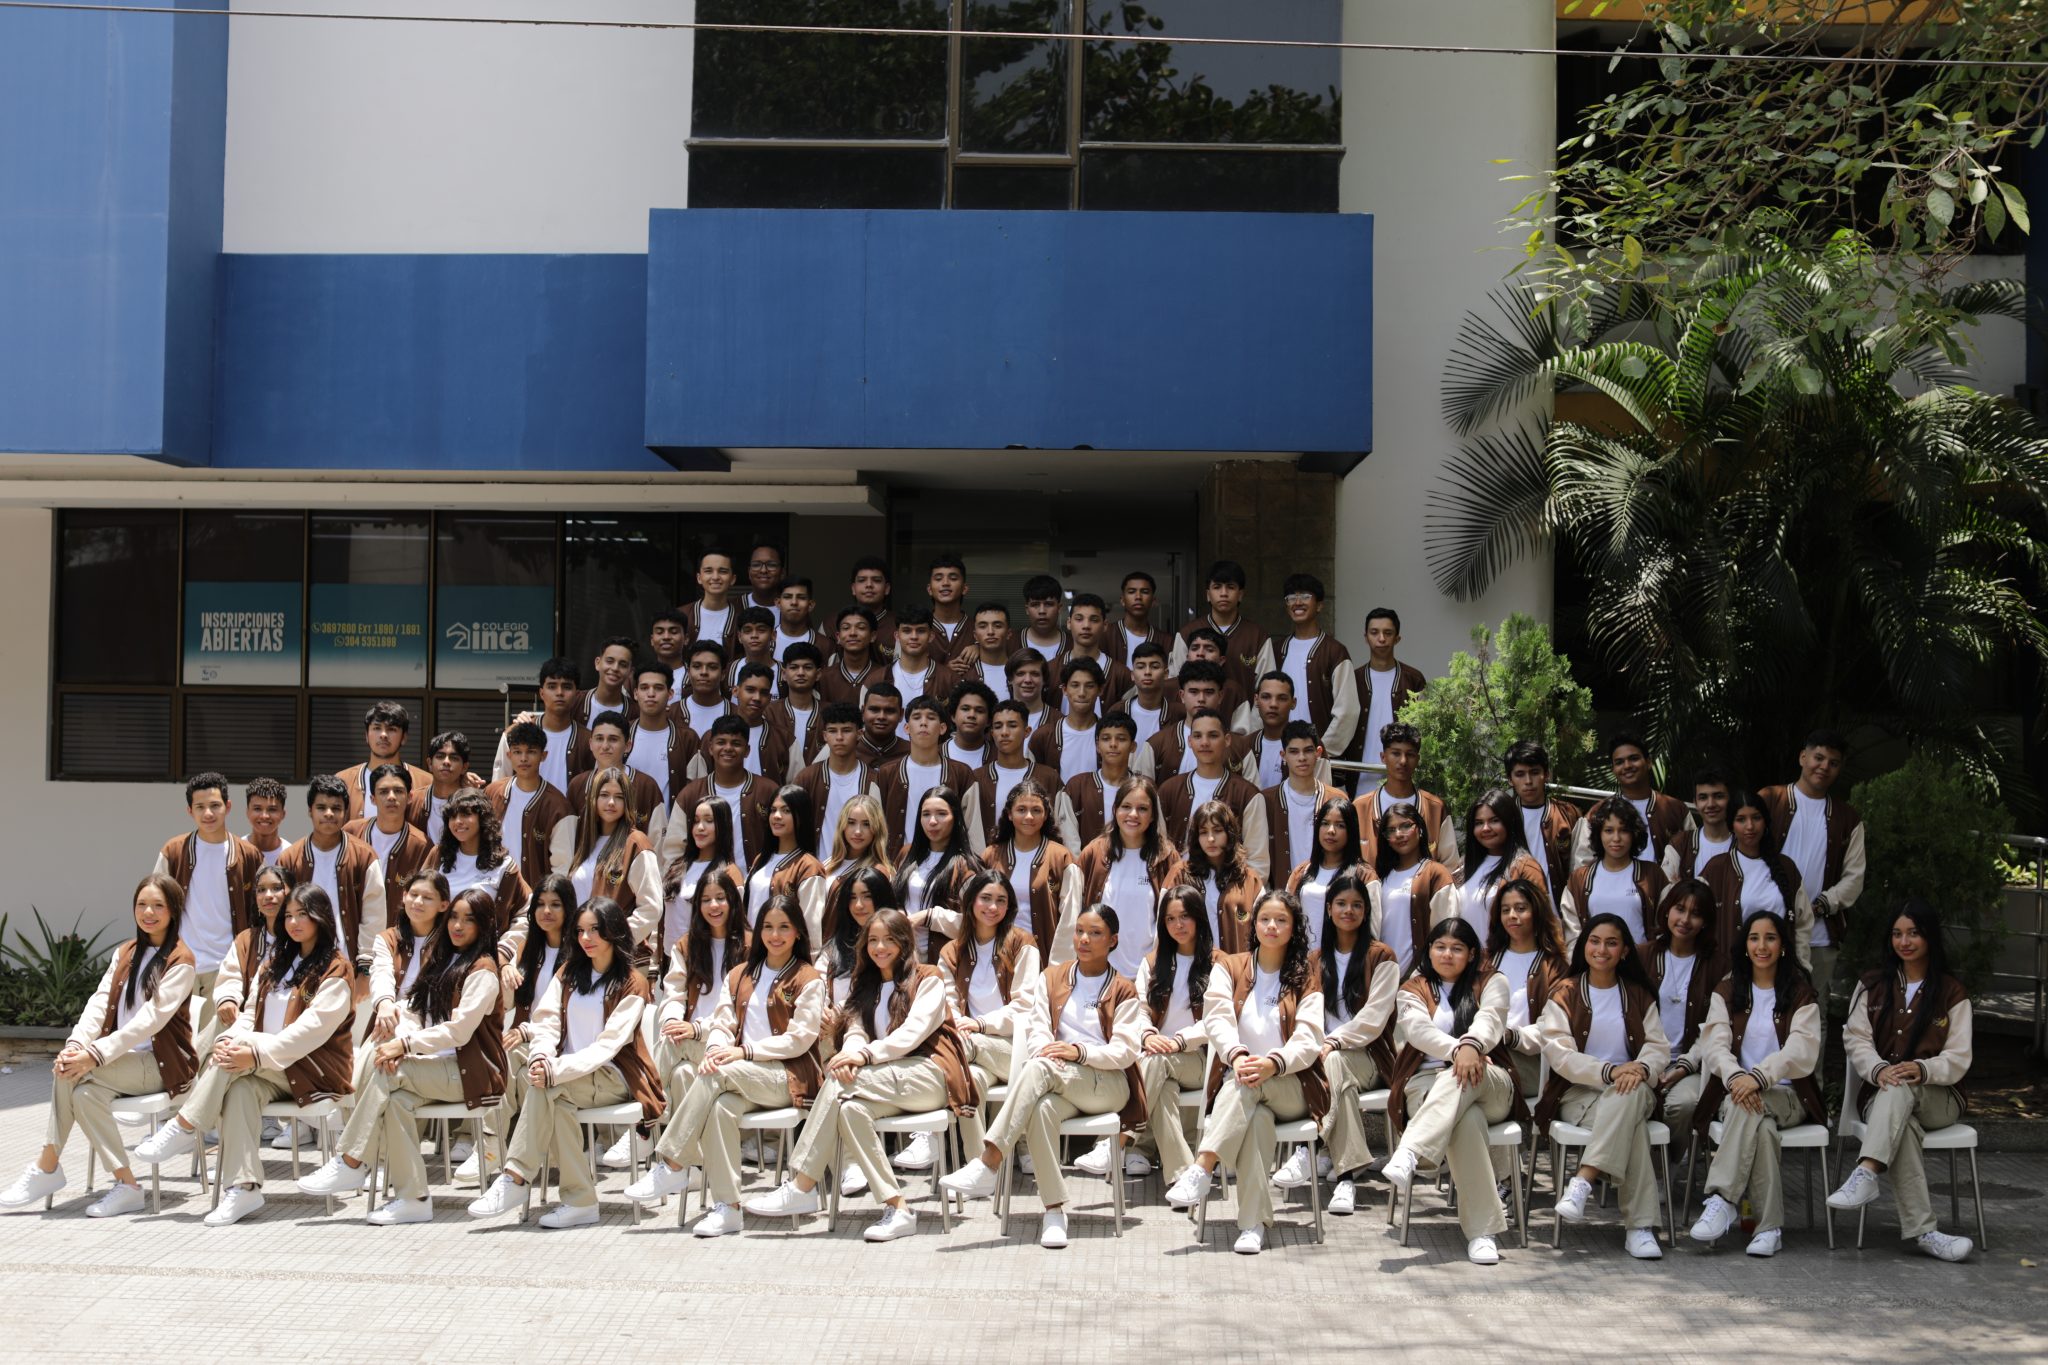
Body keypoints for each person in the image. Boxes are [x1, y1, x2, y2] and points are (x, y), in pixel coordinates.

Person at [742, 908, 976, 1242]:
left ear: (905, 942)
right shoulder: (865, 984)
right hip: (885, 1080)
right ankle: (898, 1208)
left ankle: (802, 1184)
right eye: (873, 940)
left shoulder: (928, 978)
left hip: (931, 1075)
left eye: (889, 940)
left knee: (839, 1081)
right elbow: (855, 1030)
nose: (880, 947)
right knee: (851, 1110)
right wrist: (850, 1054)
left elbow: (912, 1033)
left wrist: (863, 1057)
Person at [132, 883, 355, 1227]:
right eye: (289, 916)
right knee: (238, 1087)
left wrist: (253, 1053)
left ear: (321, 918)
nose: (294, 922)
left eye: (303, 915)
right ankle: (244, 1188)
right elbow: (250, 1014)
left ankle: (185, 1125)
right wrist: (230, 1040)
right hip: (269, 1069)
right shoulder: (276, 963)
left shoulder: (336, 970)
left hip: (314, 1070)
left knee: (231, 1066)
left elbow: (308, 1033)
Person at [938, 905, 1146, 1250]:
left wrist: (1077, 1052)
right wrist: (1049, 1054)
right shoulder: (1052, 978)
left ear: (1113, 941)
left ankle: (989, 1161)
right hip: (1059, 1076)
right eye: (1080, 931)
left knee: (1038, 1069)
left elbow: (1125, 1051)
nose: (1084, 939)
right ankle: (1054, 1211)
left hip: (1107, 1083)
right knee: (1041, 1109)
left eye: (1095, 933)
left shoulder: (1123, 988)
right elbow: (1036, 1031)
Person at [298, 887, 505, 1223]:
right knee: (396, 1101)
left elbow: (459, 1031)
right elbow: (415, 1009)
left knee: (389, 1071)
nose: (457, 925)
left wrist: (404, 1047)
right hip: (437, 1067)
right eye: (454, 917)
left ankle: (351, 1161)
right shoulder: (446, 960)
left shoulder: (482, 970)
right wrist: (398, 1040)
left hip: (473, 1074)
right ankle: (414, 1199)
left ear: (484, 926)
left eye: (469, 920)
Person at [624, 894, 828, 1234]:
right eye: (768, 927)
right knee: (720, 1109)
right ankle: (728, 1208)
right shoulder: (740, 975)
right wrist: (717, 1050)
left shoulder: (808, 978)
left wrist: (742, 1053)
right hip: (742, 1077)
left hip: (789, 1077)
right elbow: (722, 1025)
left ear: (797, 933)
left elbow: (800, 1039)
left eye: (784, 927)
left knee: (717, 1074)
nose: (775, 935)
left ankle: (672, 1163)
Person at [0, 875, 197, 1217]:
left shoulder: (181, 960)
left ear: (174, 910)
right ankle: (128, 1185)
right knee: (83, 1093)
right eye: (141, 904)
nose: (148, 912)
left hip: (161, 1066)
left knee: (70, 1073)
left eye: (158, 905)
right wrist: (76, 1044)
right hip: (119, 1062)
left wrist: (94, 1055)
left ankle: (47, 1165)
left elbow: (149, 1020)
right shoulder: (126, 952)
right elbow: (99, 1001)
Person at [467, 896, 664, 1228]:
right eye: (581, 931)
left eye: (595, 930)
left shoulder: (633, 982)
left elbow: (607, 1046)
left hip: (615, 1077)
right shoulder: (569, 972)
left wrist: (555, 1070)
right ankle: (579, 1201)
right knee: (555, 1099)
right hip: (569, 1078)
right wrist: (542, 1057)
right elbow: (546, 1023)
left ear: (614, 931)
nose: (586, 938)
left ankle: (516, 1178)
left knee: (549, 1088)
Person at [1162, 889, 1326, 1256]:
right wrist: (1237, 1057)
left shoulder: (1305, 976)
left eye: (1281, 920)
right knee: (1256, 1121)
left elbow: (1310, 1037)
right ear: (1254, 924)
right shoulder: (1231, 967)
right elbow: (1217, 1018)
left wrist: (1273, 1063)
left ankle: (1203, 1167)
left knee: (1247, 1085)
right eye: (1265, 919)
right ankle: (1253, 1225)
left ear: (1294, 927)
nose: (1272, 926)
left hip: (1293, 1087)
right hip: (1244, 1081)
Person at [1828, 899, 1977, 1261]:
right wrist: (1879, 1069)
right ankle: (1925, 1233)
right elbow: (1856, 1039)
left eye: (1913, 933)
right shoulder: (1872, 985)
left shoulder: (1952, 992)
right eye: (1897, 934)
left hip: (1939, 1098)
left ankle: (1867, 1170)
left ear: (1929, 937)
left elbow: (1959, 1057)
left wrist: (1923, 1069)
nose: (1904, 942)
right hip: (1882, 1095)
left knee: (1903, 1087)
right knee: (1902, 1120)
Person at [1378, 918, 1523, 1265]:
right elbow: (1419, 1032)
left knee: (1464, 1083)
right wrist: (1459, 1051)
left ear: (1472, 954)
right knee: (1466, 1119)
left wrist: (1473, 1046)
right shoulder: (1413, 988)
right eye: (1440, 946)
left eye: (1457, 948)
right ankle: (1483, 1234)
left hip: (1490, 1081)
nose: (1447, 954)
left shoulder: (1493, 981)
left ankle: (1411, 1149)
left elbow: (1491, 1019)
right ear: (1429, 951)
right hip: (1428, 1083)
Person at [1688, 909, 1824, 1258]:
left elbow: (1800, 1050)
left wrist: (1759, 1077)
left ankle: (1722, 1198)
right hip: (1737, 1093)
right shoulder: (1727, 991)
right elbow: (1715, 1046)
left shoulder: (1801, 994)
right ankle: (1769, 1229)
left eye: (1770, 938)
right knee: (1761, 1129)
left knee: (1750, 1105)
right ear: (1745, 946)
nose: (1762, 946)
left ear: (1783, 946)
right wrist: (1738, 1077)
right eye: (1754, 938)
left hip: (1788, 1095)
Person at [1535, 912, 1671, 1259]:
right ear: (1584, 946)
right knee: (1633, 1127)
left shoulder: (1639, 994)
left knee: (1631, 1095)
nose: (1602, 949)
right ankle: (1640, 1229)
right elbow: (1561, 1055)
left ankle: (1584, 1178)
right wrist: (1610, 1072)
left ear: (1624, 951)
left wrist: (1640, 1068)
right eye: (1594, 941)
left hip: (1635, 1087)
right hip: (1580, 1094)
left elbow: (1657, 1048)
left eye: (1612, 943)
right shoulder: (1564, 992)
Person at [1293, 870, 1398, 1216]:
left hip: (1371, 1057)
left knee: (1335, 1061)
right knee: (1342, 1084)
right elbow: (1306, 1012)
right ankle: (1347, 1175)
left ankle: (1311, 1148)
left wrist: (1333, 1042)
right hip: (1324, 1059)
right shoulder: (1315, 960)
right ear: (1328, 909)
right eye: (1341, 904)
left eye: (1356, 905)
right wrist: (1319, 1044)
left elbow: (1374, 1019)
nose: (1348, 911)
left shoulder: (1382, 957)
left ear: (1366, 912)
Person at [473, 876, 575, 1183]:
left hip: (565, 1044)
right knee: (506, 1059)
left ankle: (495, 1148)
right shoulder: (527, 949)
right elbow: (507, 1002)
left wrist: (528, 1032)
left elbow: (569, 1014)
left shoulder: (581, 952)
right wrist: (504, 968)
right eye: (540, 905)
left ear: (569, 908)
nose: (546, 911)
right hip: (527, 1043)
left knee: (512, 1059)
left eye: (555, 905)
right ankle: (497, 1148)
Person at [152, 772, 263, 1042]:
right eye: (200, 807)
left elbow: (260, 914)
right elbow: (154, 907)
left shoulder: (248, 855)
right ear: (190, 811)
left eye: (215, 805)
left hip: (227, 968)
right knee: (179, 1044)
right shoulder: (174, 851)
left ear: (228, 806)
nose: (208, 813)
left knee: (218, 1045)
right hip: (182, 964)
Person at [937, 872, 1042, 1157]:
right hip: (970, 1051)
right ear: (971, 901)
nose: (993, 907)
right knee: (969, 1079)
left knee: (959, 1050)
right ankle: (979, 1163)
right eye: (985, 898)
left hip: (1013, 1048)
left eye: (1001, 900)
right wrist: (962, 1026)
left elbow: (1025, 1006)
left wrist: (979, 1025)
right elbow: (947, 1006)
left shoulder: (1022, 944)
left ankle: (932, 1137)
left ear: (1009, 906)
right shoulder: (951, 951)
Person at [1759, 729, 1865, 1011]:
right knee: (1759, 1004)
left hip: (1819, 934)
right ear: (1802, 757)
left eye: (1833, 762)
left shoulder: (1848, 819)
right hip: (1764, 927)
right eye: (1819, 758)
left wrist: (1819, 906)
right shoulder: (1770, 800)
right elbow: (1744, 854)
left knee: (1813, 1011)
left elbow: (1854, 877)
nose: (1824, 766)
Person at [1121, 886, 1215, 1188]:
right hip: (1157, 1056)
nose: (1178, 925)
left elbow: (1218, 1020)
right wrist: (1148, 1035)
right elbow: (1139, 1009)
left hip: (1200, 1059)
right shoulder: (1152, 963)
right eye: (1171, 918)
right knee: (1164, 1088)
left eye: (1185, 916)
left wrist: (1180, 1041)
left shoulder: (1219, 963)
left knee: (1157, 1063)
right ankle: (1182, 1175)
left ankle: (1123, 1139)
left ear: (1199, 917)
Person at [1074, 775, 1186, 977]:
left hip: (1151, 973)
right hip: (1101, 973)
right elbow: (1073, 911)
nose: (1133, 814)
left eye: (1142, 809)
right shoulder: (1094, 853)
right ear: (1115, 810)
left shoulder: (1167, 857)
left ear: (1153, 816)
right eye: (1126, 807)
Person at [277, 774, 387, 978]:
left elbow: (374, 918)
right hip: (299, 966)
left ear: (345, 812)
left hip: (348, 966)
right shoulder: (290, 858)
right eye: (321, 807)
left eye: (336, 808)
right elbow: (280, 915)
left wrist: (365, 968)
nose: (329, 814)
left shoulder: (364, 856)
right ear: (310, 811)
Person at [1645, 879, 1726, 1138]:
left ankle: (1667, 1161)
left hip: (1693, 1065)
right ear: (1667, 910)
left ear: (1706, 922)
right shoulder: (1643, 956)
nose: (1685, 919)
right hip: (1643, 1059)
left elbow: (1717, 1027)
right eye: (1680, 909)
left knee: (1684, 1104)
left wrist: (1685, 1066)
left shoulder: (1718, 966)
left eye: (1696, 914)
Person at [1698, 789, 1814, 968]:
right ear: (1731, 825)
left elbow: (1802, 923)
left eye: (1756, 818)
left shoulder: (1786, 867)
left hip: (1780, 971)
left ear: (1765, 821)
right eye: (1741, 819)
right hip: (1732, 970)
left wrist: (1802, 966)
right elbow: (1697, 917)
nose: (1750, 826)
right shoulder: (1716, 869)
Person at [549, 766, 662, 946]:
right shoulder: (582, 841)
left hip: (618, 954)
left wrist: (612, 940)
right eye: (604, 795)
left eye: (619, 797)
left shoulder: (636, 843)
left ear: (628, 802)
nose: (611, 802)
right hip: (581, 949)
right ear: (593, 798)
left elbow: (651, 908)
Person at [1485, 876, 1570, 1101]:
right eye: (1505, 910)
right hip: (1484, 1051)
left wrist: (1512, 1036)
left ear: (1537, 912)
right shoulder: (1487, 961)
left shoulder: (1555, 967)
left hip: (1530, 1063)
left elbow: (1553, 1027)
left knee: (1469, 1074)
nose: (1512, 915)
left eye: (1521, 908)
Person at [981, 779, 1083, 964]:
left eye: (1036, 810)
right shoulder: (990, 855)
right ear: (1009, 814)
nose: (1029, 816)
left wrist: (1057, 969)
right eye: (1021, 810)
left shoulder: (1061, 858)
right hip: (994, 958)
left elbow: (1070, 919)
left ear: (1045, 815)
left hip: (1042, 959)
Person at [1156, 709, 1268, 873]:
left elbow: (1258, 863)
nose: (1205, 742)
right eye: (1197, 736)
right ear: (1189, 741)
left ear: (1227, 740)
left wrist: (1234, 888)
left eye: (1213, 735)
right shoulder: (1168, 790)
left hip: (1230, 886)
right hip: (1179, 886)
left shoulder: (1248, 794)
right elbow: (1158, 853)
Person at [662, 715, 777, 874]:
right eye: (721, 742)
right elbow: (674, 850)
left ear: (747, 750)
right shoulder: (691, 794)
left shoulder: (768, 791)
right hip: (704, 885)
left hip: (756, 883)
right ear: (710, 748)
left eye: (736, 743)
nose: (728, 748)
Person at [1569, 733, 1695, 871]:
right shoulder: (1597, 813)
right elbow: (1583, 866)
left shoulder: (1676, 809)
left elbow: (1694, 855)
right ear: (1613, 769)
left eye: (1634, 758)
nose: (1627, 766)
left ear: (1648, 762)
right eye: (1619, 762)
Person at [1559, 795, 1670, 948]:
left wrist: (1652, 958)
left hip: (1640, 961)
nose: (1616, 838)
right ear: (1599, 834)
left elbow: (1664, 925)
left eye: (1624, 830)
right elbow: (1572, 935)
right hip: (1594, 961)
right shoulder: (1579, 879)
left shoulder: (1652, 874)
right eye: (1609, 830)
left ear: (1634, 833)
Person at [877, 697, 984, 856]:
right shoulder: (887, 773)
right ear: (906, 728)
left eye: (931, 717)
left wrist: (974, 865)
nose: (923, 723)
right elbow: (874, 826)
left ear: (942, 728)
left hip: (948, 864)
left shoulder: (961, 774)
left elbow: (973, 830)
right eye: (917, 717)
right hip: (897, 864)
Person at [1337, 608, 1427, 795]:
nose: (1381, 639)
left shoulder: (1413, 679)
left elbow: (1422, 730)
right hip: (1359, 775)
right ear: (1366, 637)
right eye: (1374, 632)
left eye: (1388, 633)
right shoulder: (1353, 679)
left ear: (1397, 638)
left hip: (1401, 776)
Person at [1271, 573, 1360, 762]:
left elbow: (1347, 711)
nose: (1297, 602)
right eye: (1291, 597)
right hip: (1279, 755)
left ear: (1319, 605)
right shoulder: (1276, 650)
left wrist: (1321, 751)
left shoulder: (1335, 652)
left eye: (1305, 596)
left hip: (1320, 759)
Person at [893, 785, 984, 968]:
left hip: (940, 961)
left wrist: (930, 917)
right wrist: (898, 913)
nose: (932, 821)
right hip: (900, 956)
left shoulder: (965, 865)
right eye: (926, 814)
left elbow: (978, 923)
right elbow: (891, 898)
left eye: (941, 814)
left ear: (955, 818)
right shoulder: (906, 855)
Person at [1354, 722, 1460, 873]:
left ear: (1418, 759)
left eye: (1410, 754)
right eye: (1396, 753)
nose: (1403, 761)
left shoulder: (1435, 808)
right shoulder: (1361, 807)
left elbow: (1450, 866)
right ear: (1383, 757)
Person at [653, 797, 745, 970]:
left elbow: (734, 926)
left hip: (705, 963)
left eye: (708, 821)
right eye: (696, 821)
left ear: (722, 825)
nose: (700, 827)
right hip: (670, 959)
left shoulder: (729, 872)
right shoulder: (678, 866)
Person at [1368, 801, 1458, 976]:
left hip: (1420, 977)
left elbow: (1446, 930)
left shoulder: (1435, 874)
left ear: (1420, 828)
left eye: (1406, 826)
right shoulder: (1380, 877)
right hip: (1382, 977)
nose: (1399, 834)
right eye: (1391, 830)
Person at [487, 720, 573, 896]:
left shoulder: (558, 807)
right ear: (509, 755)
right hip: (491, 891)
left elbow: (562, 868)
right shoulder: (493, 793)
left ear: (543, 755)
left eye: (531, 752)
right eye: (517, 752)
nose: (523, 758)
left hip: (533, 899)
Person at [1169, 560, 1274, 703]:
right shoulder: (1187, 633)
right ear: (1208, 594)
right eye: (1217, 587)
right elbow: (1176, 683)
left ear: (1240, 594)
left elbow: (1268, 688)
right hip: (1196, 715)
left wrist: (1251, 718)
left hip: (1243, 715)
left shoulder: (1257, 636)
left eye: (1230, 587)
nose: (1224, 593)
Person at [1454, 788, 1548, 939]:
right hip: (1466, 953)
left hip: (1502, 953)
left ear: (1510, 822)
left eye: (1494, 821)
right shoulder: (1464, 865)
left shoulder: (1526, 867)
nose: (1485, 828)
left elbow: (1541, 925)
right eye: (1479, 823)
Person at [345, 764, 436, 915]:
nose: (391, 797)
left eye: (398, 791)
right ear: (373, 799)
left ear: (410, 797)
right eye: (383, 792)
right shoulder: (351, 832)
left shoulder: (422, 845)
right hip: (354, 925)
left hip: (397, 928)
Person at [1259, 721, 1346, 880]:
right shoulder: (1266, 800)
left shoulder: (1336, 799)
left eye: (1308, 750)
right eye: (1294, 752)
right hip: (1282, 892)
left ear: (1318, 752)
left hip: (1328, 889)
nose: (1301, 758)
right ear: (1283, 755)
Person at [568, 712, 668, 847]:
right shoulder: (578, 785)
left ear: (628, 746)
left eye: (613, 739)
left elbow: (659, 842)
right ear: (590, 744)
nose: (605, 746)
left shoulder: (646, 786)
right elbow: (569, 839)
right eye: (599, 739)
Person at [1283, 797, 1373, 946]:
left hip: (1344, 958)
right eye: (1325, 823)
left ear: (1351, 830)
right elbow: (1286, 917)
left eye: (1340, 825)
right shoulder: (1302, 872)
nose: (1331, 831)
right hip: (1303, 957)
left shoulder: (1364, 875)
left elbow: (1373, 932)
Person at [970, 699, 1063, 840]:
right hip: (989, 853)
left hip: (1039, 853)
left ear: (1027, 731)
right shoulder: (977, 777)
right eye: (998, 726)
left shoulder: (1048, 776)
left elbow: (1061, 825)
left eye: (1012, 725)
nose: (1004, 732)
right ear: (992, 733)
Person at [1183, 800, 1267, 954]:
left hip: (1235, 966)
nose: (1211, 839)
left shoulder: (1249, 879)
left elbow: (1263, 929)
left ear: (1230, 833)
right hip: (1193, 966)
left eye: (1217, 830)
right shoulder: (1181, 875)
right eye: (1203, 832)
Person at [1503, 740, 1581, 903]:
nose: (1528, 781)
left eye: (1534, 772)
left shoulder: (1568, 814)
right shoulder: (1503, 817)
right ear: (1510, 779)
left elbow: (1581, 868)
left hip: (1559, 910)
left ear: (1546, 775)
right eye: (1520, 774)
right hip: (1515, 910)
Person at [435, 788, 527, 921]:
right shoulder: (439, 855)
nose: (458, 821)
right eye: (453, 816)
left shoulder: (505, 865)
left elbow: (525, 910)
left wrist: (508, 936)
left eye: (465, 814)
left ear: (482, 818)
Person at [1057, 711, 1144, 849]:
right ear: (1097, 746)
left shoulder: (1145, 788)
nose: (1113, 744)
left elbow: (1157, 837)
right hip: (1086, 863)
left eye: (1121, 739)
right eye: (1106, 738)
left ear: (1133, 746)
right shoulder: (1076, 787)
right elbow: (1069, 842)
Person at [335, 701, 434, 820]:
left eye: (391, 729)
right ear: (366, 735)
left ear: (404, 737)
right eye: (377, 728)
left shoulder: (427, 782)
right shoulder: (343, 780)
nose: (383, 735)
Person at [743, 784, 825, 920]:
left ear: (801, 816)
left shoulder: (809, 867)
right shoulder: (761, 859)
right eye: (773, 810)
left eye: (786, 811)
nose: (777, 816)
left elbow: (811, 925)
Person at [1029, 658, 1107, 784]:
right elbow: (1031, 781)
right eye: (1075, 685)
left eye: (1089, 686)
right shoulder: (1044, 736)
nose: (1081, 693)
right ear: (1064, 689)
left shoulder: (1110, 735)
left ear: (1100, 690)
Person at [1055, 593, 1134, 703]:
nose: (1086, 626)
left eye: (1094, 620)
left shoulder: (1122, 675)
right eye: (1079, 619)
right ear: (1069, 623)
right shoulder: (1051, 670)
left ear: (1105, 625)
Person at [1666, 767, 1735, 880]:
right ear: (1695, 803)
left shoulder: (1744, 844)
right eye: (1703, 798)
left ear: (1730, 800)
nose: (1711, 804)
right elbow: (1665, 887)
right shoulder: (1681, 844)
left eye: (1718, 796)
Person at [769, 640, 826, 774]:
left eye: (807, 667)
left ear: (818, 674)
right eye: (794, 667)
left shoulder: (829, 713)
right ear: (784, 674)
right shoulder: (770, 712)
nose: (800, 673)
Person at [886, 605, 952, 712]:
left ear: (931, 636)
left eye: (921, 631)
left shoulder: (950, 680)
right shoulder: (877, 678)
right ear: (897, 636)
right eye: (907, 631)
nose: (914, 637)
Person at [416, 731, 474, 846]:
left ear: (464, 767)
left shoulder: (475, 804)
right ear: (429, 764)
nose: (446, 762)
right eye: (440, 756)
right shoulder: (413, 801)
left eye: (454, 758)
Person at [1106, 569, 1174, 667]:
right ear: (1122, 600)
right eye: (1131, 592)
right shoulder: (1106, 634)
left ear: (1153, 601)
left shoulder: (1166, 641)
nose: (1138, 597)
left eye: (1145, 592)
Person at [819, 605, 884, 708]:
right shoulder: (823, 677)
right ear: (838, 637)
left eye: (861, 628)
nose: (852, 633)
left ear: (873, 636)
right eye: (846, 628)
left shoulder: (884, 675)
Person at [683, 547, 740, 650]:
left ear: (732, 579)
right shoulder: (683, 615)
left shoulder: (742, 618)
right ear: (699, 578)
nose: (715, 577)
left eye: (723, 571)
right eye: (708, 571)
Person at [575, 635, 637, 727]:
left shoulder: (636, 712)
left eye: (623, 665)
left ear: (630, 671)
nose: (615, 668)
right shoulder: (575, 701)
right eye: (610, 661)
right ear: (597, 663)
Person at [677, 640, 734, 737]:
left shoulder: (737, 713)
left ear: (723, 674)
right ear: (688, 672)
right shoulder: (672, 713)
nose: (704, 672)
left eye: (712, 667)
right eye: (697, 666)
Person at [923, 552, 972, 659]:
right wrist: (943, 668)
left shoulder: (977, 628)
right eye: (938, 579)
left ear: (964, 588)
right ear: (929, 589)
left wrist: (980, 647)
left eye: (953, 578)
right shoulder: (917, 628)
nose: (945, 583)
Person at [848, 556, 898, 657]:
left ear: (887, 588)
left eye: (876, 580)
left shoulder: (900, 625)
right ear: (853, 588)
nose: (869, 585)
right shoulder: (832, 624)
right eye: (862, 580)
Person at [944, 681, 996, 769]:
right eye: (965, 709)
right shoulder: (935, 754)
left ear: (989, 721)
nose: (971, 715)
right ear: (953, 716)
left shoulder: (999, 756)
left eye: (979, 711)